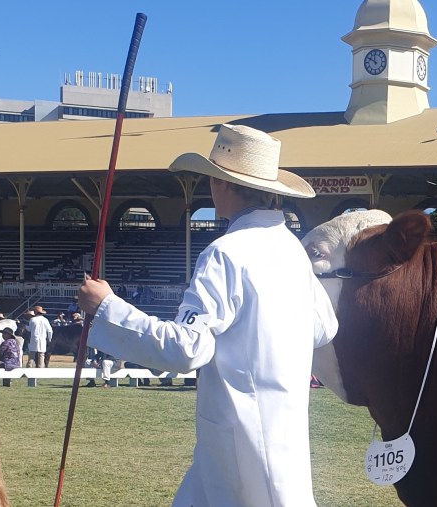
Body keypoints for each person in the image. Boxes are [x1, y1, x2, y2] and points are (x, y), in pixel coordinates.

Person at [78, 124, 337, 507]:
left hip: (235, 439)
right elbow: (324, 326)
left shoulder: (226, 252)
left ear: (225, 185)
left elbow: (188, 348)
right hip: (284, 433)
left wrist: (108, 308)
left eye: (212, 178)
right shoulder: (292, 250)